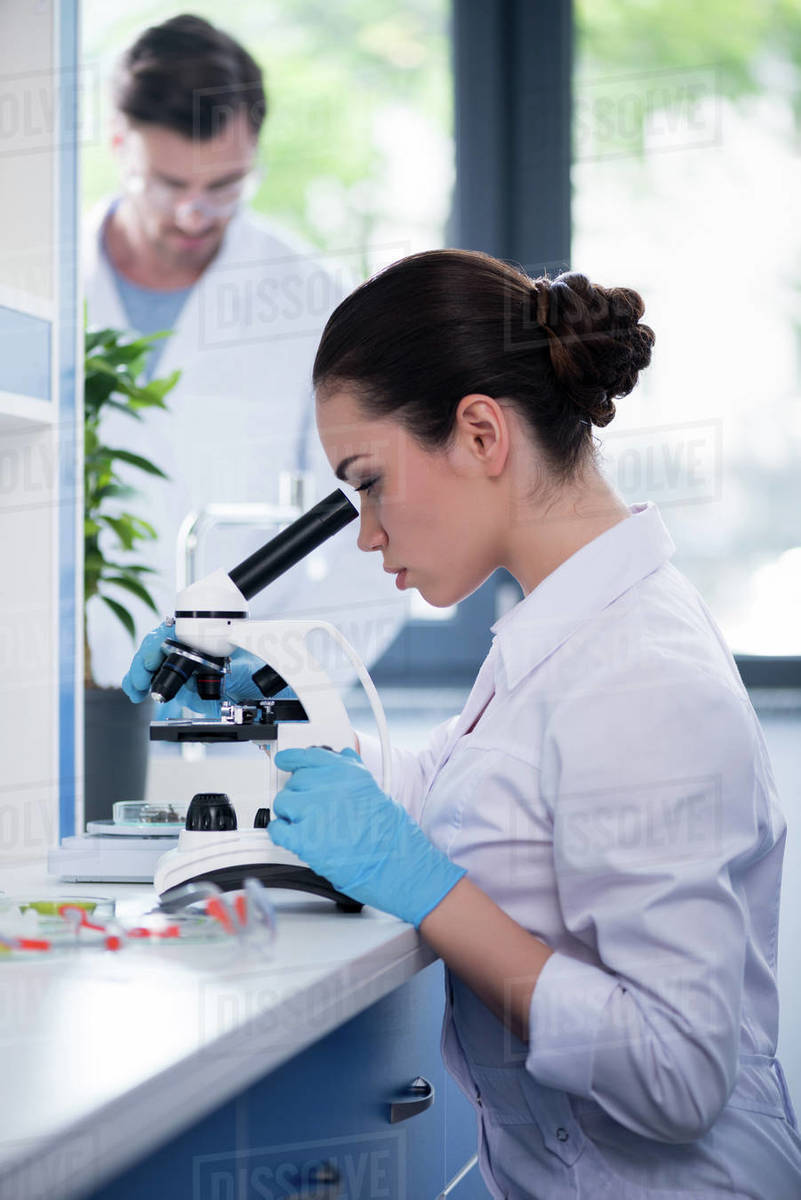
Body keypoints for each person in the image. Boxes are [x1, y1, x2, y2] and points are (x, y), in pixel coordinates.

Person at [125, 249, 801, 1198]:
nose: (365, 531)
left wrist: (433, 894)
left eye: (367, 480)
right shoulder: (558, 630)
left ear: (480, 433)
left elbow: (676, 1076)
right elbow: (443, 791)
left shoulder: (641, 677)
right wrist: (261, 703)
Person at [85, 14, 404, 690]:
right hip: (54, 701)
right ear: (118, 144)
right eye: (170, 185)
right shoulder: (42, 286)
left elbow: (381, 520)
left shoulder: (314, 303)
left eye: (225, 186)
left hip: (237, 714)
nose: (195, 214)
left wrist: (277, 683)